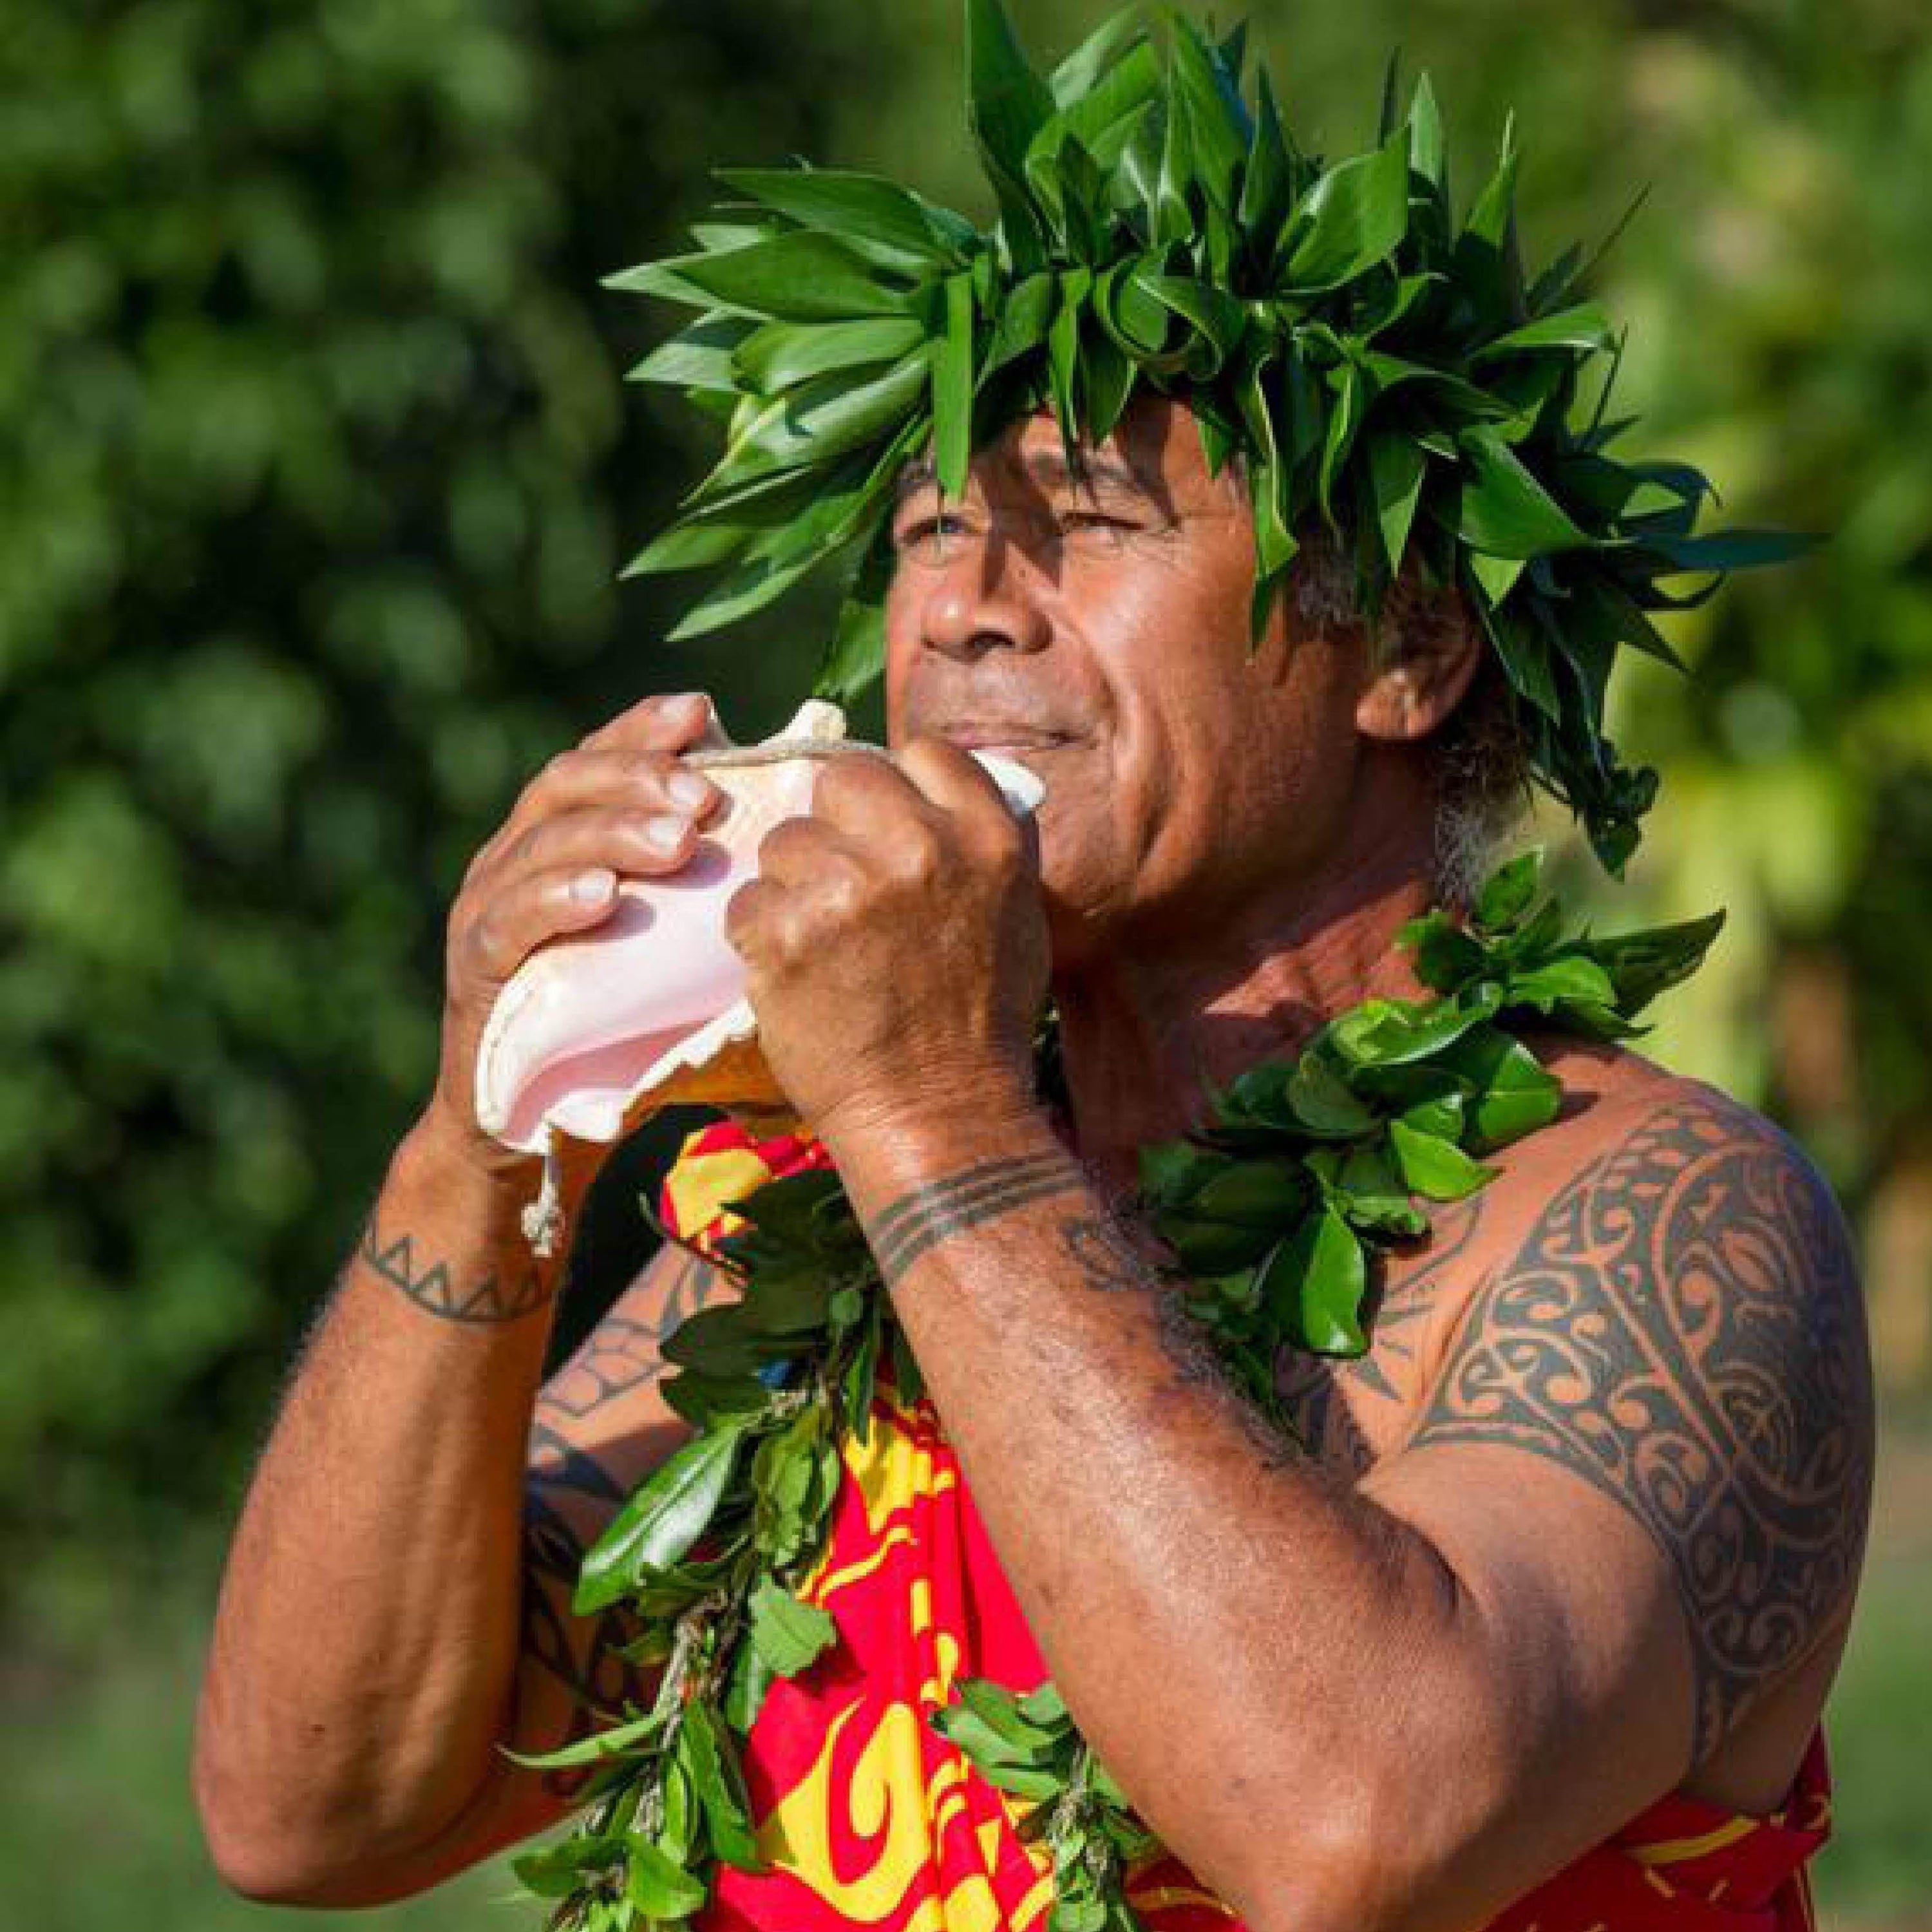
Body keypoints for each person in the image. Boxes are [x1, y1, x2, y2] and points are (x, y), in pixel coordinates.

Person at [193, 12, 1874, 1932]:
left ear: (1408, 646)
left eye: (1085, 520)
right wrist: (491, 1129)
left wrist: (926, 1101)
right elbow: (309, 1812)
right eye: (931, 531)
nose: (963, 612)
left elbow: (1354, 1829)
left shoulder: (1668, 1219)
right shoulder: (806, 1249)